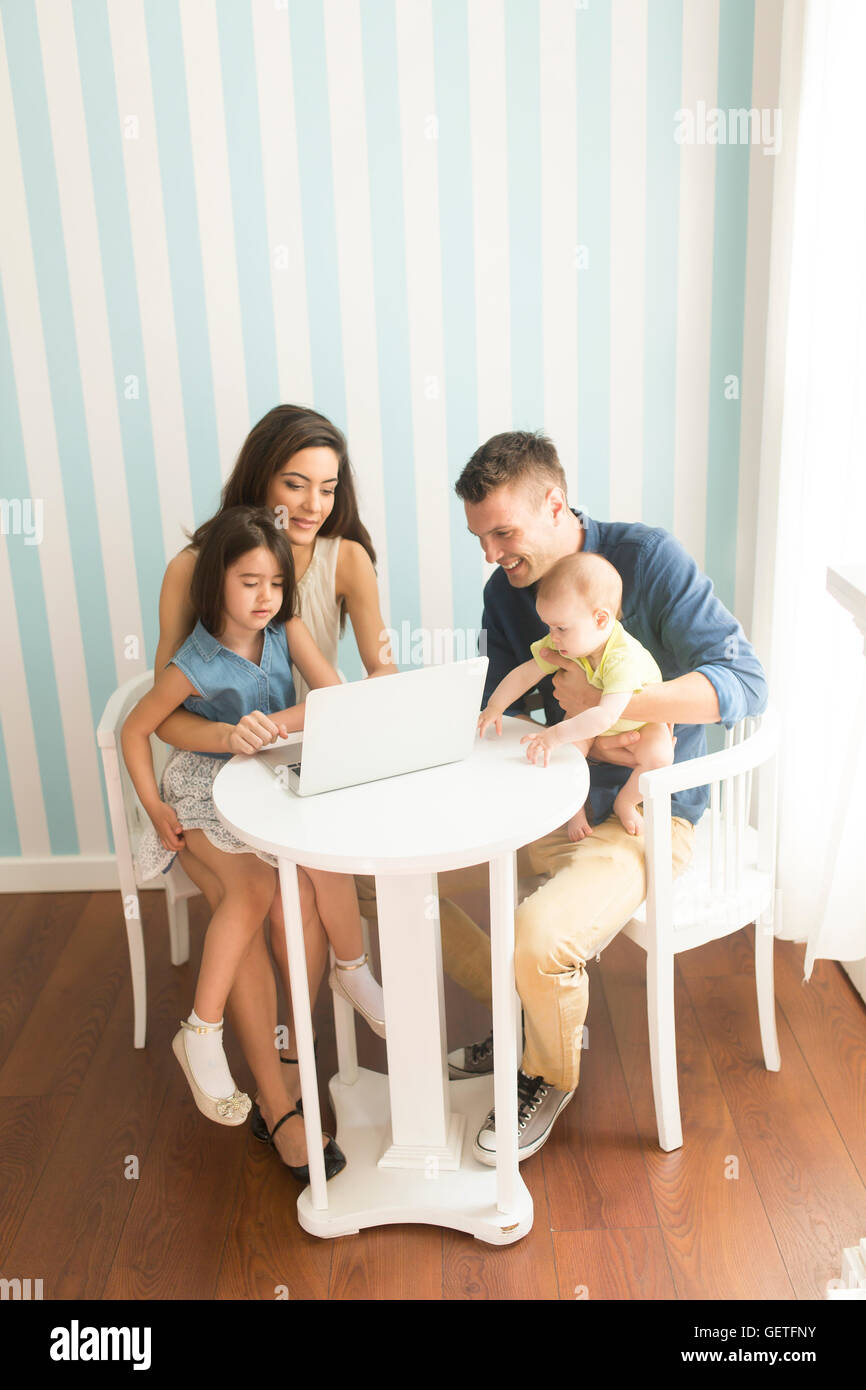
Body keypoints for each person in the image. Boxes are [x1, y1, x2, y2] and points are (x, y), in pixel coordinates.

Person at [409, 430, 767, 1161]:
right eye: (479, 538)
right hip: (551, 796)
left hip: (644, 811)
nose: (491, 555)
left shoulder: (647, 561)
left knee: (538, 939)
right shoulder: (503, 595)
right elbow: (506, 706)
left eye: (503, 533)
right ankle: (534, 1020)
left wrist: (619, 706)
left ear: (555, 505)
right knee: (393, 885)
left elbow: (747, 682)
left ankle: (547, 1068)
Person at [122, 506, 384, 1179]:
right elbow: (140, 728)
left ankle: (344, 982)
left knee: (313, 870)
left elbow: (336, 694)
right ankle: (205, 1036)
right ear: (215, 587)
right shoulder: (197, 660)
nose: (265, 596)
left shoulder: (284, 631)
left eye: (275, 583)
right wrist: (153, 806)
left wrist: (275, 723)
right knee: (256, 888)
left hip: (268, 774)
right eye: (249, 583)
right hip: (203, 790)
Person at [478, 550, 673, 840]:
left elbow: (606, 715)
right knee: (568, 757)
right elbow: (525, 673)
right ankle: (576, 809)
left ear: (601, 619)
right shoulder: (566, 643)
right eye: (548, 626)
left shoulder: (621, 658)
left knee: (660, 756)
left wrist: (554, 734)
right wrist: (494, 706)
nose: (552, 636)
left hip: (637, 722)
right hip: (588, 717)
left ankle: (627, 801)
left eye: (560, 628)